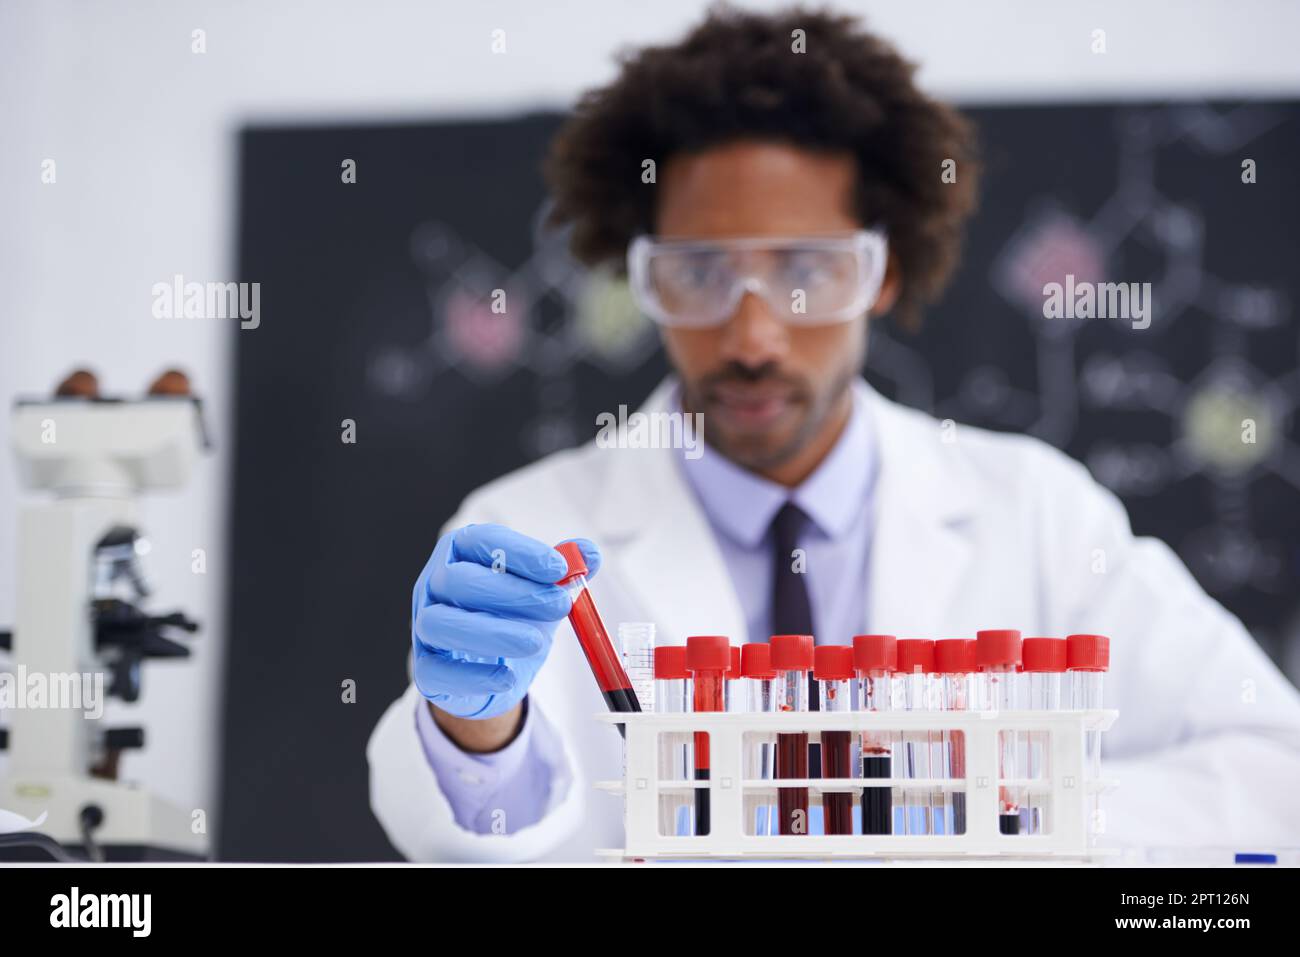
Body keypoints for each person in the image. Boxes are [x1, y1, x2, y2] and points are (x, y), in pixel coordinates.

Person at [367, 5, 1300, 862]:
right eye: (697, 274)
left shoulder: (1037, 512)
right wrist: (472, 732)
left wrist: (997, 812)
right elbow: (478, 846)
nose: (751, 336)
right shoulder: (525, 528)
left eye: (808, 271)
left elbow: (1274, 770)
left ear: (882, 273)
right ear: (636, 273)